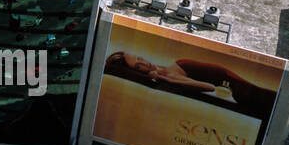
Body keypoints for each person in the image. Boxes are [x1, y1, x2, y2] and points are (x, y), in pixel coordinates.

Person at [103, 51, 277, 118]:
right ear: (135, 72)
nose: (144, 62)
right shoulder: (166, 75)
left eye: (140, 58)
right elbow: (207, 87)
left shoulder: (165, 68)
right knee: (273, 106)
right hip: (238, 89)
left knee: (273, 103)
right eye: (138, 65)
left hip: (239, 85)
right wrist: (168, 79)